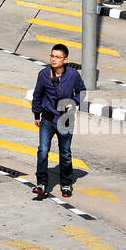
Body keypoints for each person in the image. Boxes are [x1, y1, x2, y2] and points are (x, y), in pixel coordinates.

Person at [31, 44, 86, 198]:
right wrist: (36, 114)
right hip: (48, 119)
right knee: (42, 151)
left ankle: (66, 184)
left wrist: (74, 102)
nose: (53, 59)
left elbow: (82, 91)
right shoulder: (43, 74)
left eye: (57, 57)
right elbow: (37, 95)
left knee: (65, 153)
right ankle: (41, 183)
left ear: (65, 59)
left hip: (65, 120)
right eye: (52, 56)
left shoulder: (73, 75)